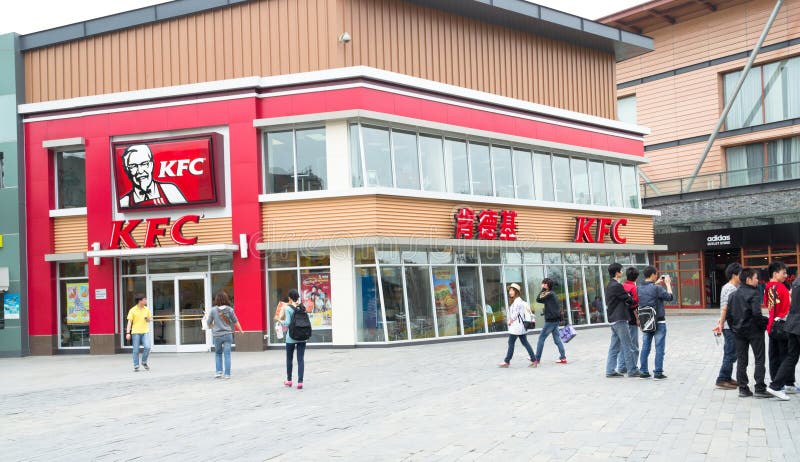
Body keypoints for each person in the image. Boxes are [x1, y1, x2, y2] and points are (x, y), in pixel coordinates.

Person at [727, 268, 769, 398]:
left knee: (742, 360)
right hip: (754, 331)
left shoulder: (733, 295)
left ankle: (743, 388)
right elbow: (757, 313)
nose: (758, 280)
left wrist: (734, 328)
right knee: (759, 359)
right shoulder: (754, 293)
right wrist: (763, 325)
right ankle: (760, 388)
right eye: (756, 278)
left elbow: (729, 315)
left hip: (739, 332)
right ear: (748, 279)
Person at [119, 144, 187, 208]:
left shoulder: (170, 190)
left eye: (144, 164)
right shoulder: (124, 202)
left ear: (151, 165)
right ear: (127, 170)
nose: (140, 171)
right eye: (133, 166)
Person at [637, 266, 673, 379]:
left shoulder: (639, 288)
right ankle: (658, 372)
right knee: (659, 348)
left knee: (645, 347)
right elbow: (670, 297)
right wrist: (667, 284)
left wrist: (656, 283)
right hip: (659, 321)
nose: (657, 276)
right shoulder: (657, 288)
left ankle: (643, 371)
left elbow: (649, 290)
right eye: (656, 274)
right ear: (652, 274)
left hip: (646, 321)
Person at [767, 276, 800, 400]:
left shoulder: (796, 281)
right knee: (791, 357)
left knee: (791, 357)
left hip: (791, 324)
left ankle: (775, 386)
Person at [605, 263, 640, 378]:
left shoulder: (609, 285)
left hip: (613, 319)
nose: (622, 272)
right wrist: (634, 301)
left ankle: (610, 370)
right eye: (621, 270)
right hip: (620, 318)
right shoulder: (617, 286)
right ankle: (632, 370)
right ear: (616, 272)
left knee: (614, 346)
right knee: (627, 345)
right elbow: (628, 299)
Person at [764, 261, 794, 389]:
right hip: (783, 326)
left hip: (771, 326)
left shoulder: (767, 287)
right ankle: (786, 383)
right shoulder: (782, 287)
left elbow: (768, 305)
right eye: (784, 272)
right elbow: (789, 308)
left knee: (773, 356)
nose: (786, 275)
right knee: (786, 355)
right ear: (775, 274)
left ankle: (776, 380)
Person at [712, 263, 742, 389]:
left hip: (730, 325)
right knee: (730, 353)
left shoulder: (734, 287)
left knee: (732, 352)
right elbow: (725, 308)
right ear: (734, 275)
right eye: (740, 274)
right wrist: (721, 324)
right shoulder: (730, 288)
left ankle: (727, 377)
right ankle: (722, 378)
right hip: (729, 327)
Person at [205, 291, 244, 379]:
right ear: (226, 299)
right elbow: (235, 321)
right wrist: (241, 330)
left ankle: (218, 372)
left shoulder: (213, 310)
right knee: (227, 354)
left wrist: (212, 327)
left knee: (218, 353)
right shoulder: (230, 309)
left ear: (217, 299)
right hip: (228, 334)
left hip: (217, 335)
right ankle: (227, 374)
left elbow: (208, 323)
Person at [498, 283, 537, 368]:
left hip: (516, 327)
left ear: (516, 291)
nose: (510, 292)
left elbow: (515, 314)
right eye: (509, 290)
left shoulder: (517, 302)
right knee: (525, 343)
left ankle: (506, 361)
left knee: (511, 343)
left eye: (512, 290)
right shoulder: (519, 301)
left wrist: (510, 321)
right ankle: (534, 360)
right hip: (520, 327)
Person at [533, 278, 567, 366]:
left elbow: (538, 299)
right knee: (557, 339)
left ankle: (537, 359)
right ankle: (563, 358)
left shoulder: (548, 293)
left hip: (550, 321)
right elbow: (541, 300)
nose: (542, 285)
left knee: (541, 338)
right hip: (554, 320)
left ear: (547, 285)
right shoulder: (552, 294)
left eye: (543, 284)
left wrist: (543, 289)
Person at [280, 289, 308, 389]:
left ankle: (289, 380)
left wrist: (280, 322)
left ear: (290, 298)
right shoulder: (302, 307)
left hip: (291, 337)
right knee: (300, 359)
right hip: (302, 336)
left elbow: (287, 323)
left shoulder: (288, 308)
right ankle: (300, 382)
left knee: (289, 359)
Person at [617, 267, 640, 374]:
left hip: (622, 317)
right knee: (634, 345)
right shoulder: (633, 288)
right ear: (637, 277)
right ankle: (633, 367)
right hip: (631, 318)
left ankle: (621, 366)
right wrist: (638, 318)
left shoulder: (621, 286)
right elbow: (634, 305)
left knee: (624, 344)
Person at [125, 294, 151, 372]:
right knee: (136, 350)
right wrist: (128, 333)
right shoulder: (132, 310)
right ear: (140, 301)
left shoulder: (147, 309)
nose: (146, 301)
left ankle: (143, 362)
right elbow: (129, 322)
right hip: (135, 332)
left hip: (145, 331)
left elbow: (148, 320)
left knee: (147, 347)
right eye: (145, 299)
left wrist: (147, 319)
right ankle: (136, 365)